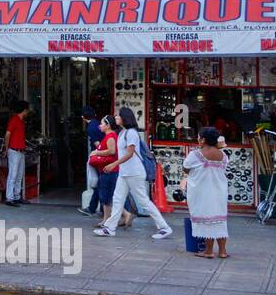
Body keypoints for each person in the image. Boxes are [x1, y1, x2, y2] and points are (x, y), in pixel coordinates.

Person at [94, 107, 173, 239]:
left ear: (124, 118)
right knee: (118, 199)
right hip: (126, 172)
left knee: (143, 201)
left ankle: (164, 227)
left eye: (118, 116)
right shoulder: (123, 133)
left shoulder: (131, 133)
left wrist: (114, 164)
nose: (116, 118)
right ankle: (110, 228)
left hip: (134, 173)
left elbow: (130, 153)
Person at [183, 127, 231, 259]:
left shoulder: (195, 155)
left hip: (202, 192)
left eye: (199, 137)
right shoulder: (223, 155)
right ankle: (222, 251)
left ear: (203, 139)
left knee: (206, 220)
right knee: (220, 220)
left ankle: (208, 251)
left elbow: (186, 168)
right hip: (219, 191)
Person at [89, 115, 131, 229]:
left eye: (102, 123)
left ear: (107, 125)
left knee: (108, 196)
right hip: (107, 169)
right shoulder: (108, 135)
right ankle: (107, 219)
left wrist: (97, 153)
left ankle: (125, 215)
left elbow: (112, 151)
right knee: (107, 196)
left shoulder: (111, 136)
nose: (100, 126)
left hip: (110, 170)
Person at [77, 105, 102, 217]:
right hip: (104, 157)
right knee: (100, 183)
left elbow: (98, 145)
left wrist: (96, 155)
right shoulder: (98, 123)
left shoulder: (90, 128)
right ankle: (97, 208)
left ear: (83, 117)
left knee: (100, 183)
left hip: (100, 157)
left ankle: (95, 208)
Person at [2, 100, 28, 206]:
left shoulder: (21, 121)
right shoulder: (14, 119)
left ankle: (17, 196)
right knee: (13, 175)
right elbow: (7, 135)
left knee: (19, 175)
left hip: (21, 151)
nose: (28, 112)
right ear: (24, 110)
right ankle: (9, 198)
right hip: (14, 151)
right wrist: (6, 148)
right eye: (27, 110)